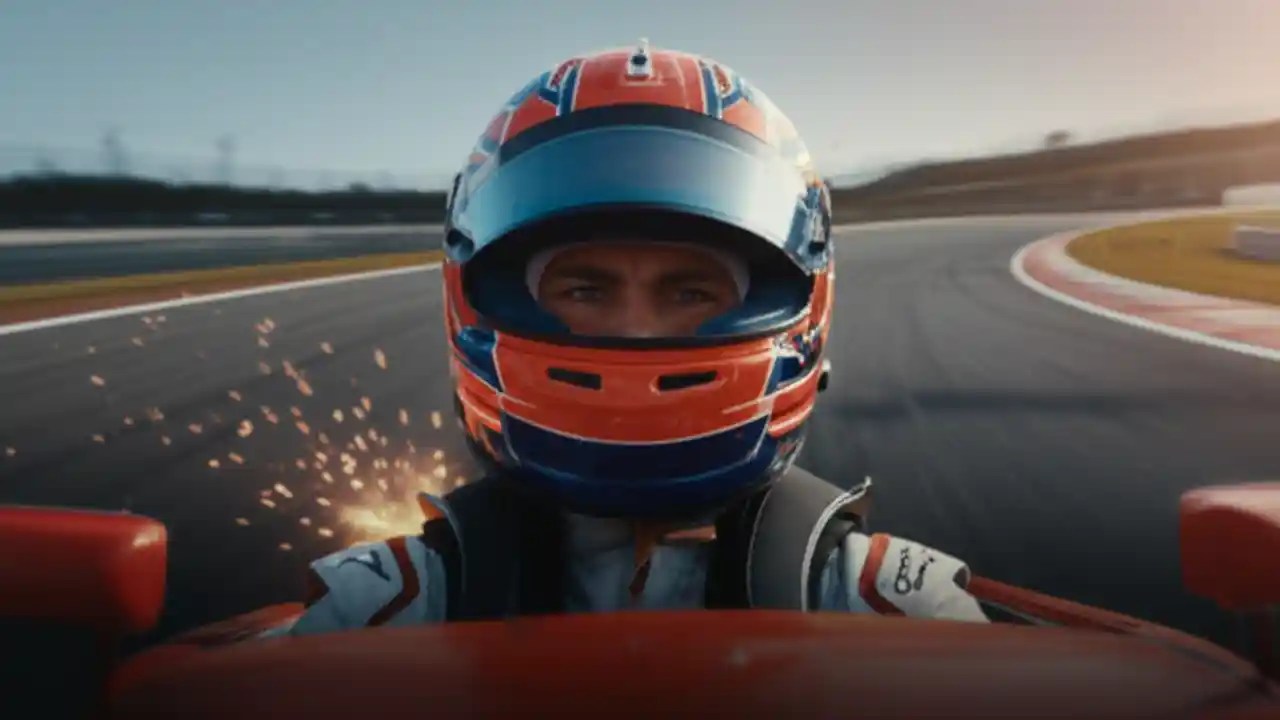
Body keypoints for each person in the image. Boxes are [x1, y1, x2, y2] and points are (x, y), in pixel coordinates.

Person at [275, 42, 988, 634]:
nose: (636, 329)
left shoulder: (894, 608)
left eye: (690, 292)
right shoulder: (375, 611)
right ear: (481, 296)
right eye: (585, 290)